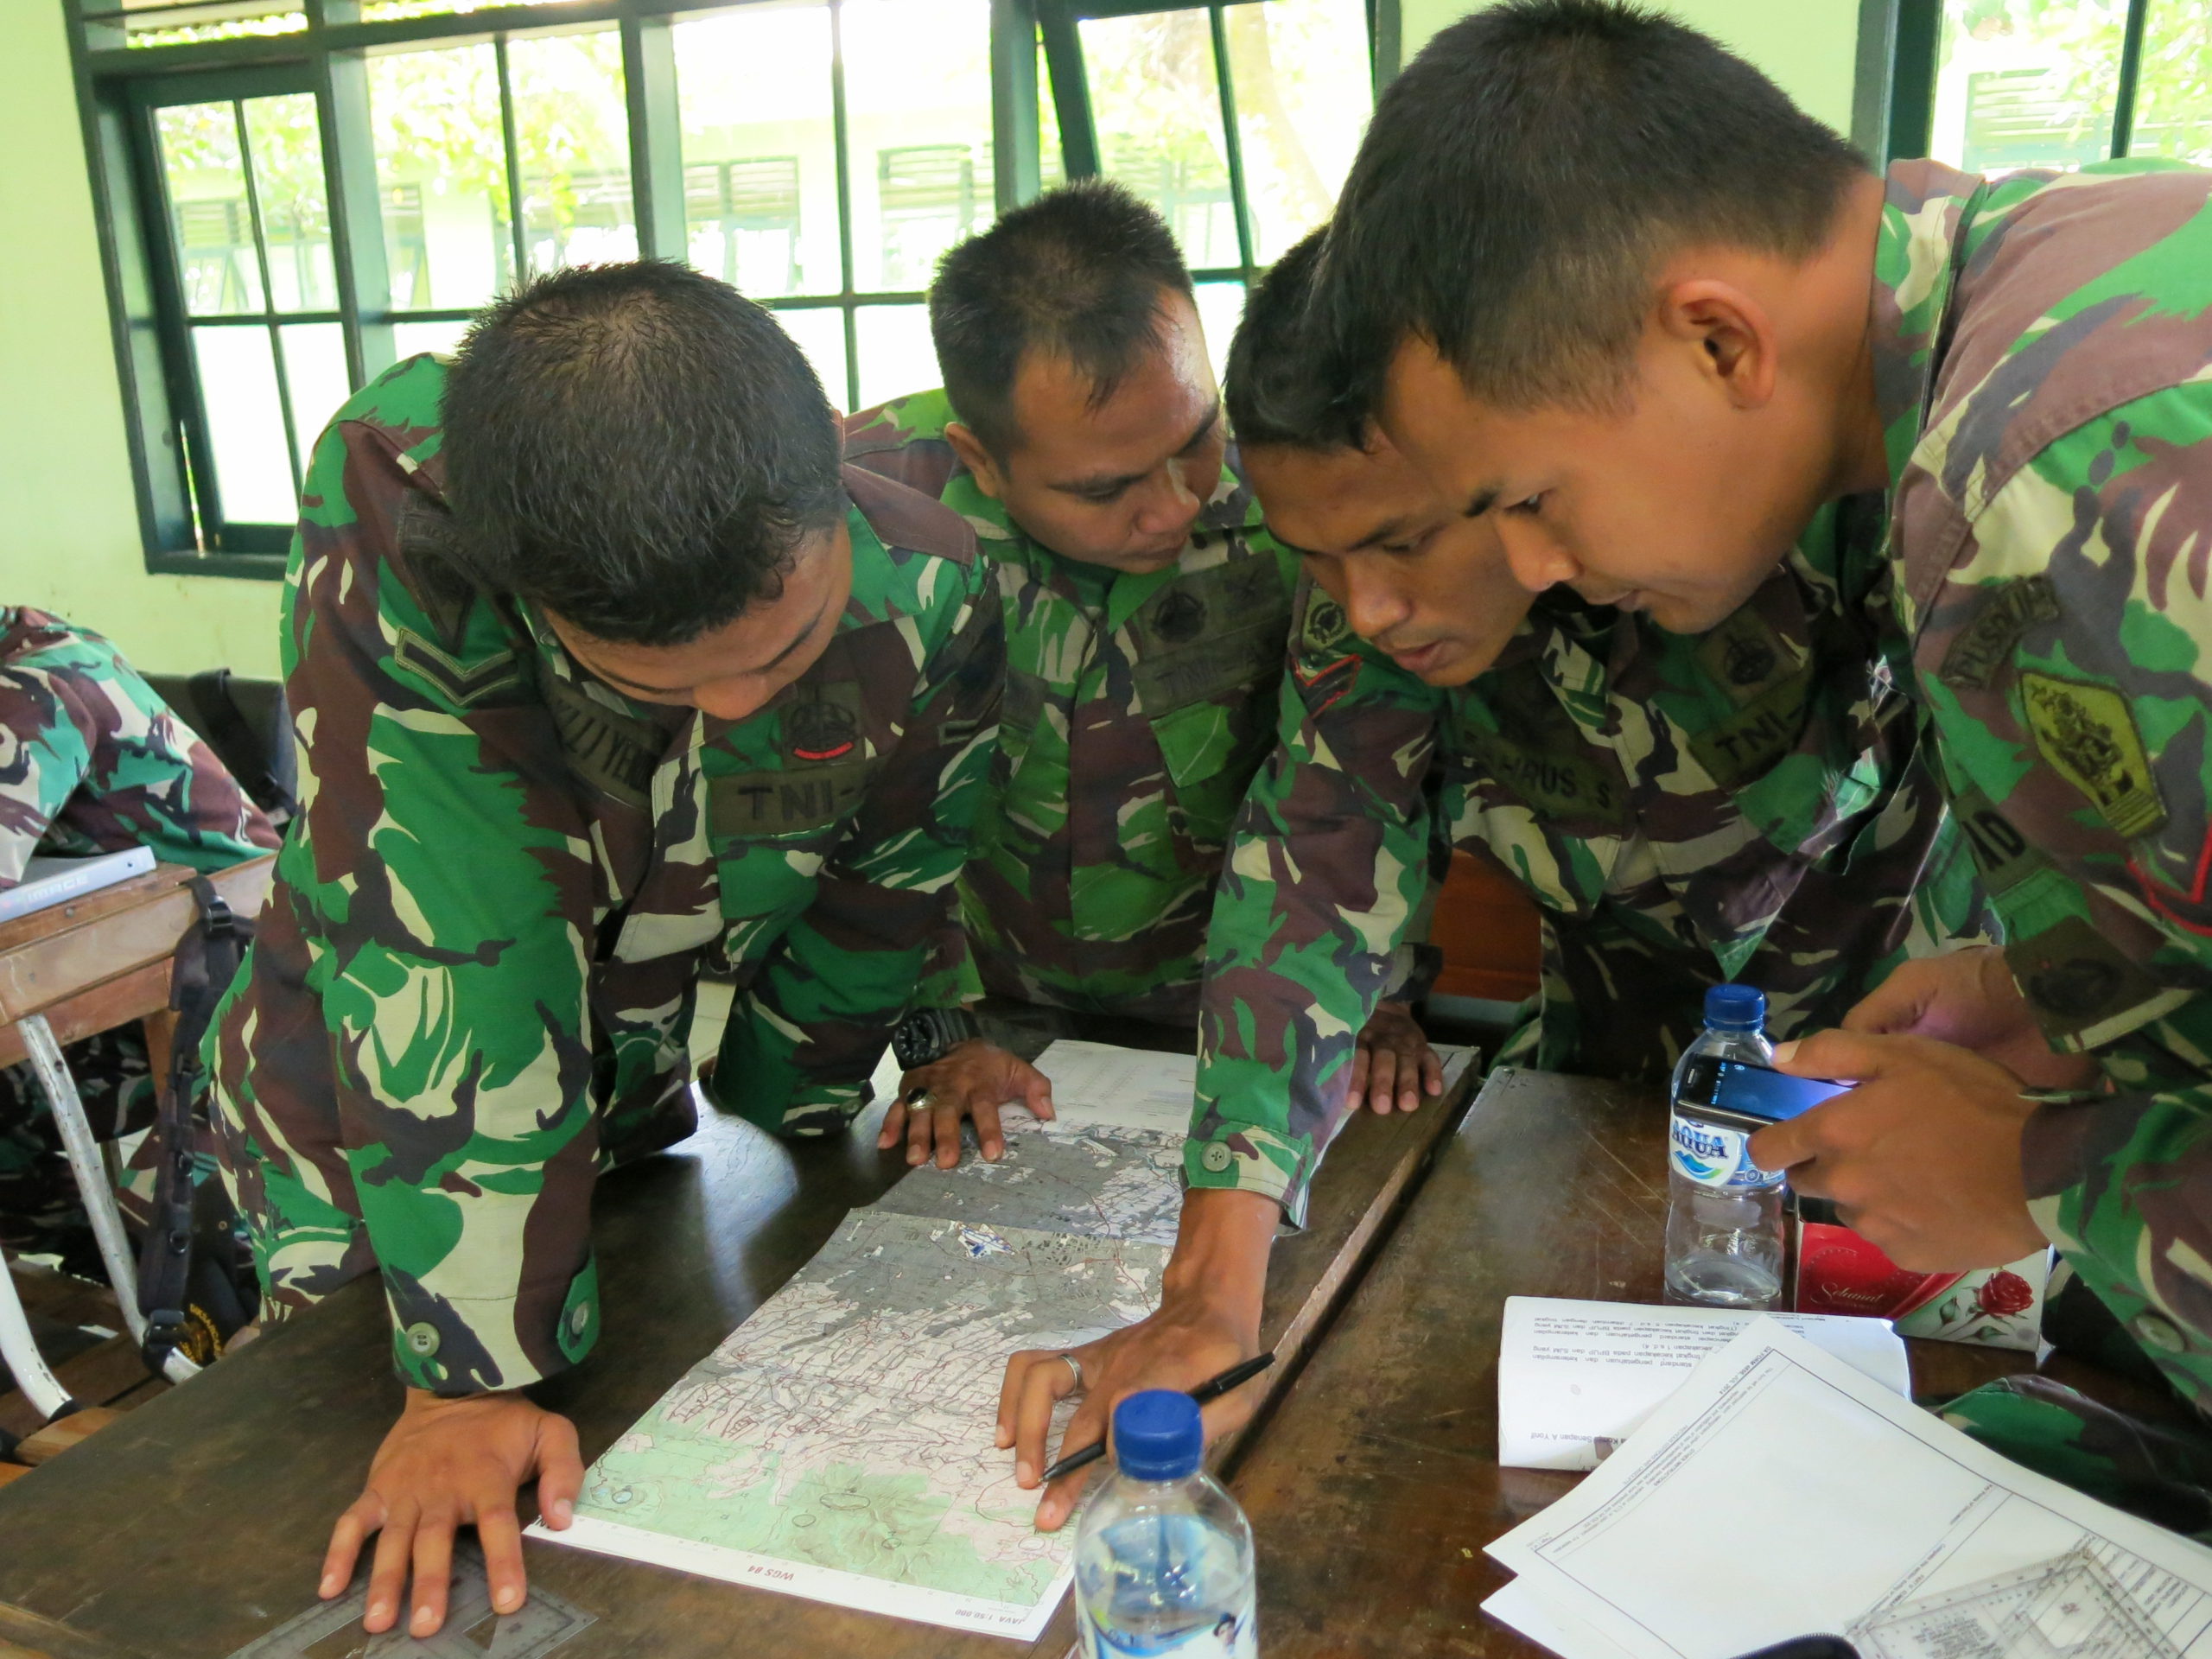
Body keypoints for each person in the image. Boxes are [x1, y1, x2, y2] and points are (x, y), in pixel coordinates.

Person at [1313, 0, 2212, 1511]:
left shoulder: (2056, 477)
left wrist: (2042, 1180)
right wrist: (2076, 994)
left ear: (1717, 337)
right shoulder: (2068, 278)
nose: (1532, 568)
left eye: (1530, 497)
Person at [997, 226, 1991, 1529]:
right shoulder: (1374, 574)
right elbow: (1311, 857)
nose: (1364, 609)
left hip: (1911, 1040)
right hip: (1604, 1059)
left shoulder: (1783, 499)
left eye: (1401, 544)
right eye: (1317, 560)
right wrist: (1209, 1293)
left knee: (1924, 1438)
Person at [206, 262, 1002, 1637]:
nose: (743, 705)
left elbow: (894, 880)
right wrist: (464, 1375)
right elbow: (461, 936)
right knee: (409, 1550)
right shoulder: (410, 521)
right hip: (382, 1125)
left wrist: (801, 1101)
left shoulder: (933, 585)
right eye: (667, 687)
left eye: (786, 646)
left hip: (617, 1121)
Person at [843, 181, 1439, 1172]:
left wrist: (1373, 998)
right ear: (979, 460)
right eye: (1105, 488)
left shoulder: (1303, 488)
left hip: (1266, 1005)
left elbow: (1356, 782)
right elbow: (867, 811)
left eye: (1194, 439)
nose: (1171, 510)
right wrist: (937, 1037)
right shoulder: (874, 514)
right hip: (994, 1016)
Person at [0, 607, 278, 1274]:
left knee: (198, 1267)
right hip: (140, 977)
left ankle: (143, 1272)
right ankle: (112, 1261)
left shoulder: (34, 687)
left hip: (235, 1008)